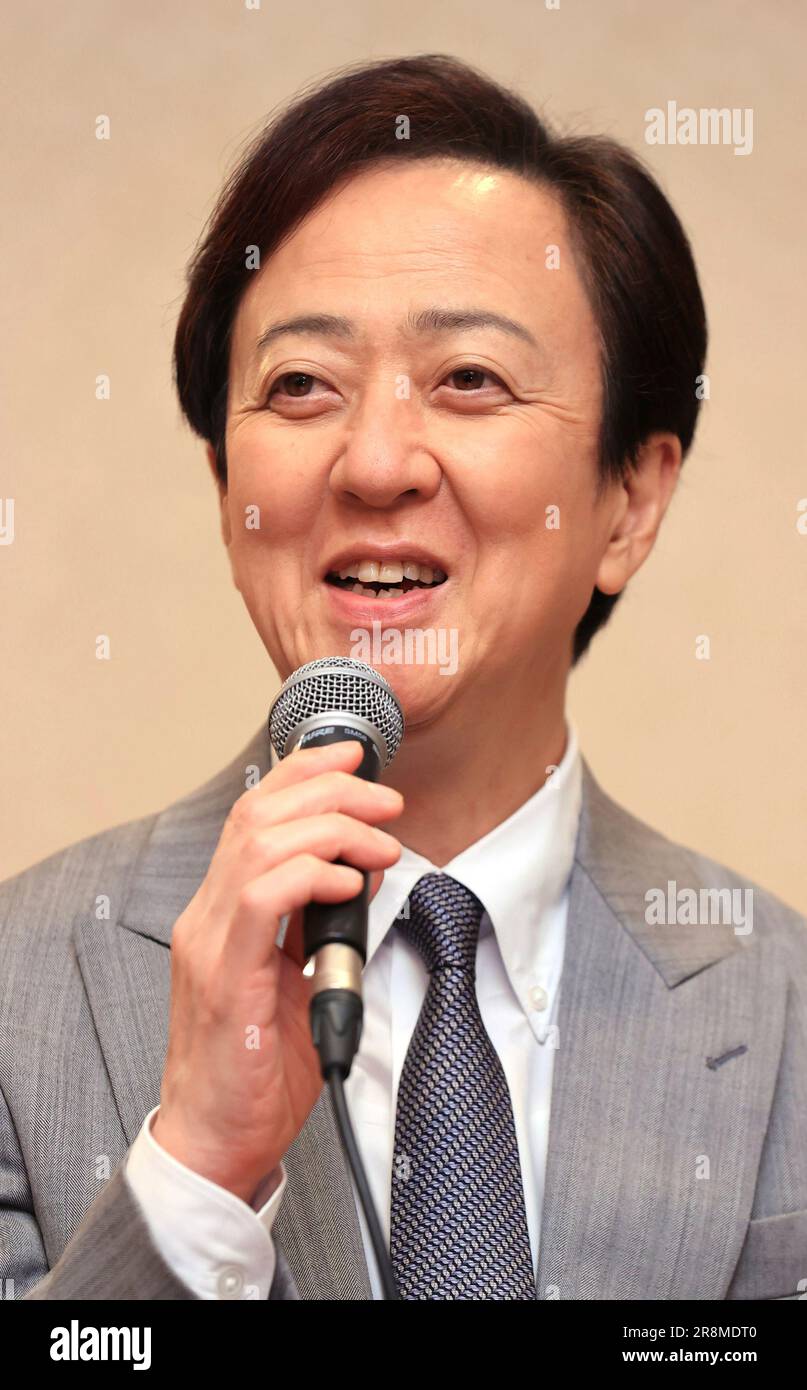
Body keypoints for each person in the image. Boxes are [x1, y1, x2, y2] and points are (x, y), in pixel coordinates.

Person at [1, 53, 805, 1303]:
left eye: (469, 380)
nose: (375, 461)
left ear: (629, 501)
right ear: (226, 492)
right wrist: (196, 1176)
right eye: (300, 386)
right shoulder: (21, 992)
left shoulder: (786, 1006)